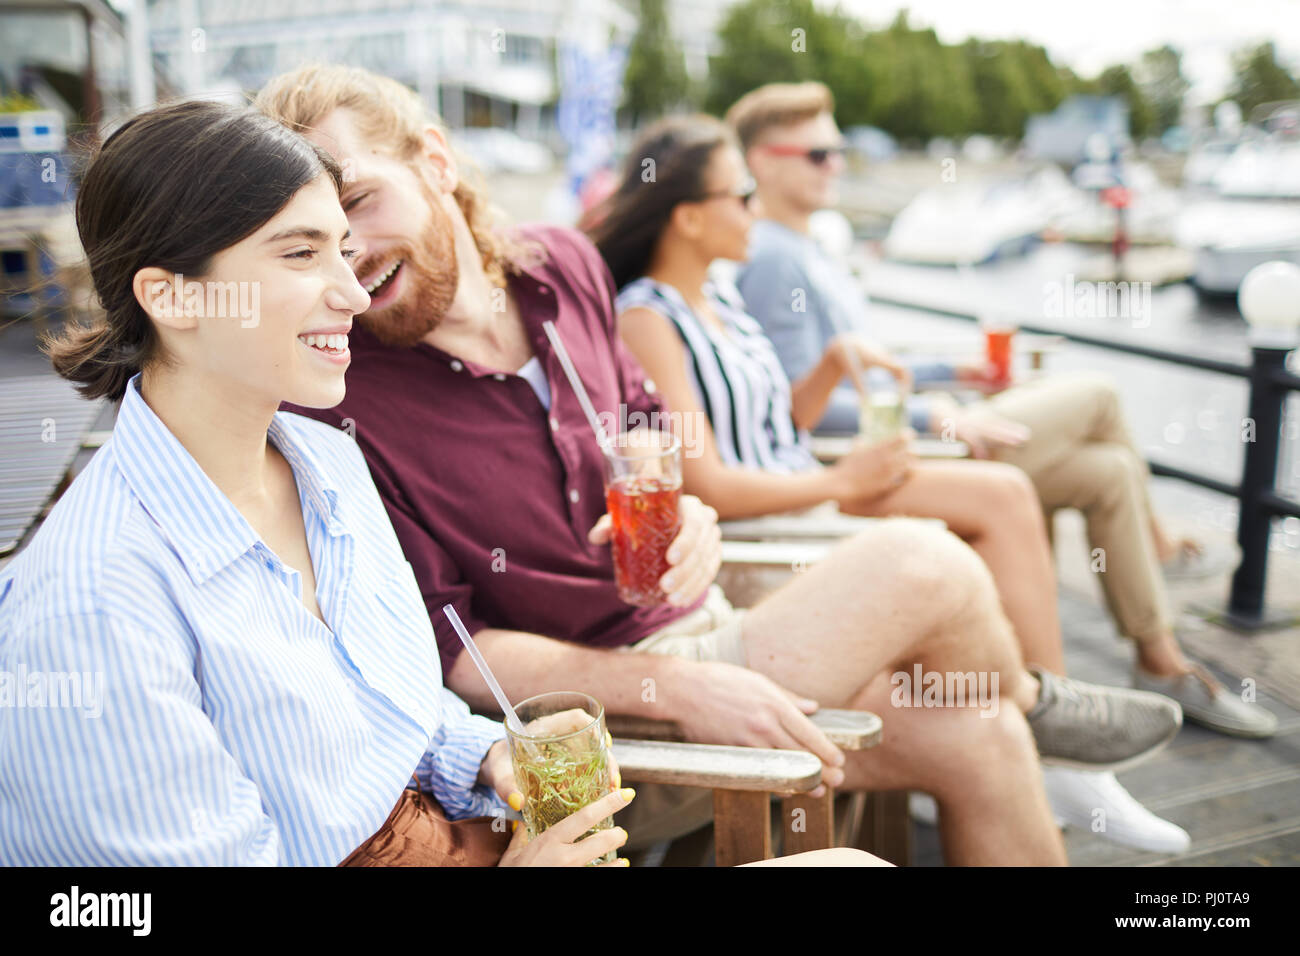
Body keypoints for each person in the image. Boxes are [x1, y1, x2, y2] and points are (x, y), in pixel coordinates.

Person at [256, 63, 1185, 866]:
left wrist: (690, 514)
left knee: (980, 736)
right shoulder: (341, 399)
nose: (351, 256)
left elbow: (649, 419)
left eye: (360, 202)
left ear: (437, 161)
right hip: (606, 717)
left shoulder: (566, 266)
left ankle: (1026, 726)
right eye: (317, 237)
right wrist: (683, 687)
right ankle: (1043, 707)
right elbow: (448, 652)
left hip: (711, 621)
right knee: (927, 560)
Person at [0, 99, 637, 867]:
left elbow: (386, 706)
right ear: (171, 296)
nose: (354, 294)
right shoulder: (94, 603)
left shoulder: (324, 460)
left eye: (342, 247)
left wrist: (486, 758)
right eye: (300, 255)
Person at [588, 112, 1193, 854]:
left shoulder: (723, 296)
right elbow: (711, 481)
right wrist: (841, 476)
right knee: (991, 503)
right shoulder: (649, 316)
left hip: (802, 483)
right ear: (686, 216)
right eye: (740, 195)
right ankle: (1050, 729)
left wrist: (834, 362)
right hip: (772, 524)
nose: (754, 209)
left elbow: (779, 421)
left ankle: (1050, 729)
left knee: (1002, 495)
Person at [725, 81, 1277, 741]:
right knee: (1098, 394)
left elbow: (863, 366)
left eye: (837, 150)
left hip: (905, 442)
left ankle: (1159, 662)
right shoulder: (772, 259)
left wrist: (946, 371)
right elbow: (796, 409)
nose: (837, 164)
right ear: (761, 162)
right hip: (881, 460)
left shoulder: (807, 248)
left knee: (1107, 472)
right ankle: (1156, 563)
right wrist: (939, 417)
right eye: (818, 154)